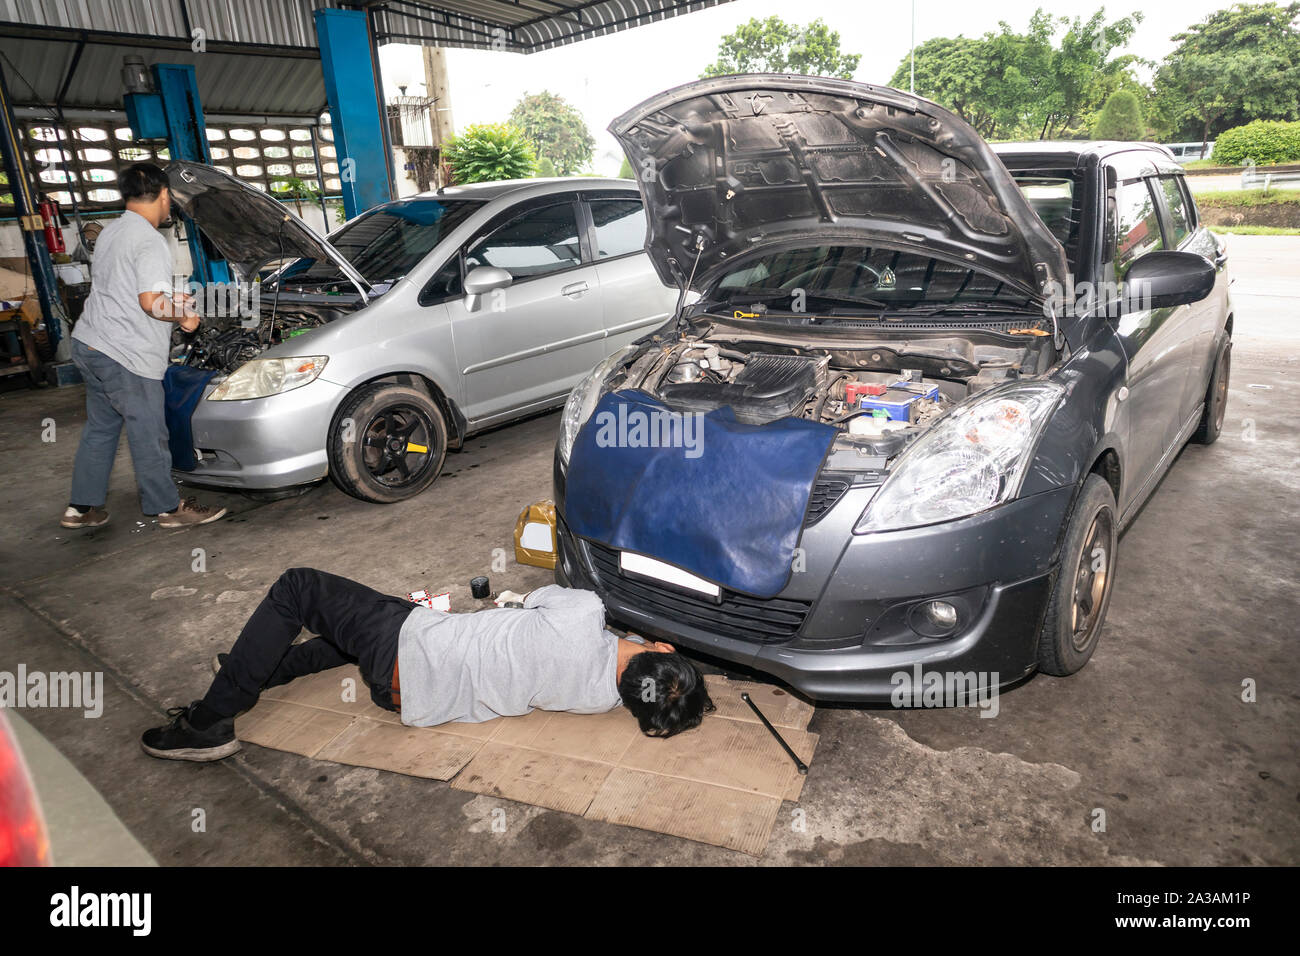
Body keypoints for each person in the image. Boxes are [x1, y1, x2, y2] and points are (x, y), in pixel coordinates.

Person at [141, 568, 715, 761]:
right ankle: (261, 664)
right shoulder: (597, 699)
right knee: (361, 624)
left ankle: (210, 721)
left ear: (659, 650)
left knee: (298, 588)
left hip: (405, 648)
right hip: (406, 696)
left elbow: (529, 596)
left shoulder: (584, 614)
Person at [62, 162, 226, 531]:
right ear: (164, 195)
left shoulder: (111, 231)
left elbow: (124, 285)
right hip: (126, 354)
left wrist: (173, 297)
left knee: (101, 429)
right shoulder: (150, 239)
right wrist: (185, 318)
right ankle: (167, 508)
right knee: (148, 431)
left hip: (90, 344)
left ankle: (81, 508)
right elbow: (150, 302)